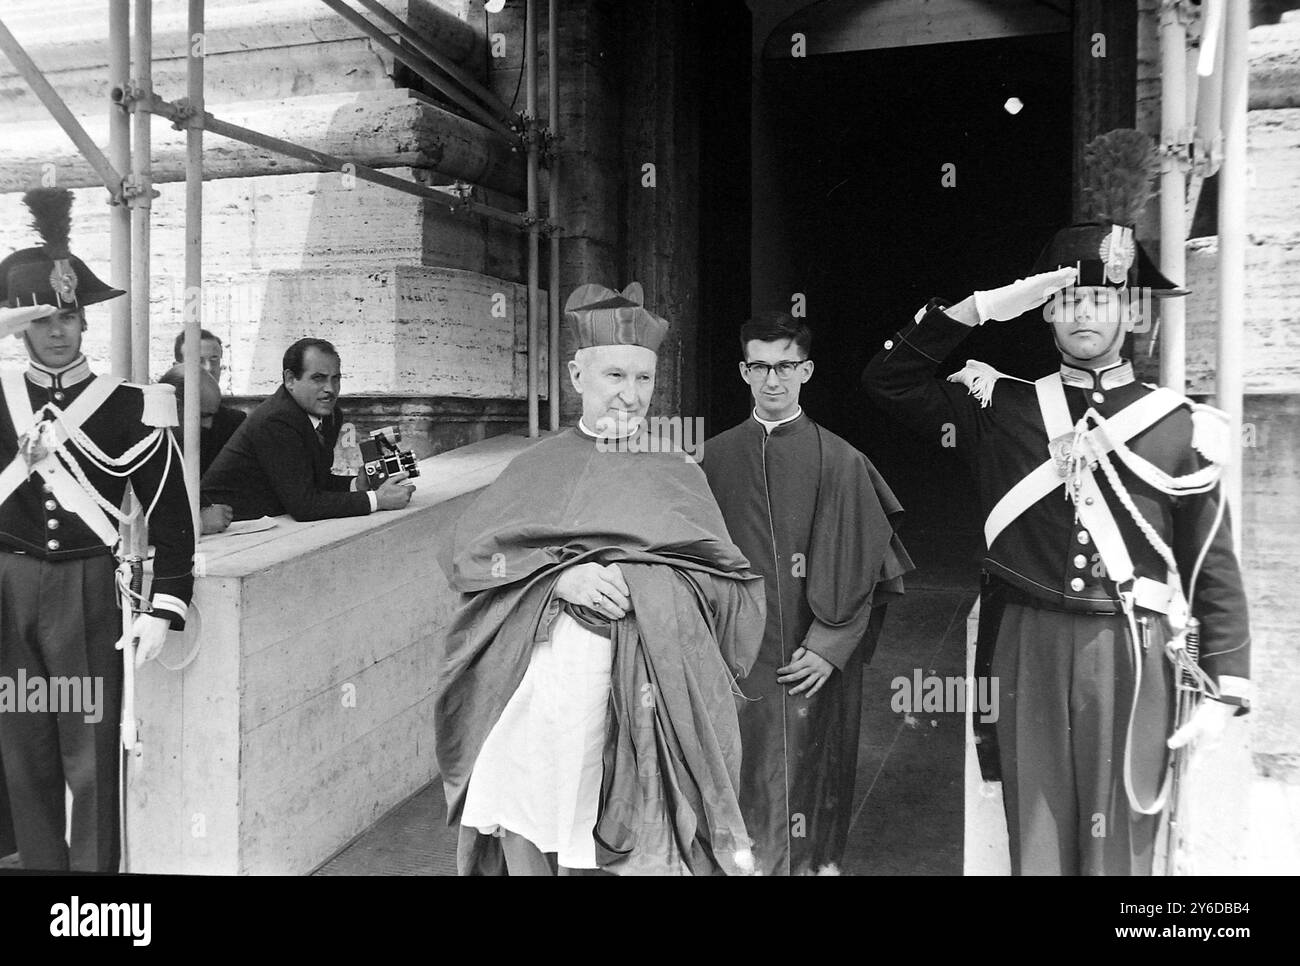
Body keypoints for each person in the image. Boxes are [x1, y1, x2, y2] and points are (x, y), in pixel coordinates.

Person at [861, 130, 1250, 875]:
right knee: (1035, 842)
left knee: (1124, 846)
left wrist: (1226, 685)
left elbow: (1213, 564)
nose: (1081, 313)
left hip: (1131, 650)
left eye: (1099, 298)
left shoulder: (1179, 426)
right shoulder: (998, 403)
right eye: (1065, 297)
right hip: (1028, 642)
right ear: (1043, 310)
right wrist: (981, 306)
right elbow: (888, 381)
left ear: (1132, 313)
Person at [436, 282, 766, 876]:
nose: (632, 395)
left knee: (601, 830)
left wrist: (640, 580)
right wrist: (559, 579)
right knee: (520, 807)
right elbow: (473, 560)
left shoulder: (675, 468)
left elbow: (728, 584)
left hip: (626, 687)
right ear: (576, 376)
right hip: (532, 681)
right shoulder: (534, 464)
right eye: (616, 376)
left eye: (644, 379)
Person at [0, 188, 195, 872]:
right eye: (46, 318)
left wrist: (164, 607)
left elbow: (170, 516)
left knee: (90, 757)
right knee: (25, 753)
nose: (60, 330)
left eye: (71, 316)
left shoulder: (130, 407)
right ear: (21, 326)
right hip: (9, 593)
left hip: (87, 592)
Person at [702, 311, 913, 876]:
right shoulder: (710, 460)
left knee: (809, 773)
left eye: (787, 366)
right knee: (739, 774)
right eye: (762, 367)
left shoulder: (842, 461)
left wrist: (831, 643)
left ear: (808, 370)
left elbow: (875, 567)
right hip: (735, 655)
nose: (774, 380)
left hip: (809, 655)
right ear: (744, 372)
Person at [200, 338, 413, 521]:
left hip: (272, 524)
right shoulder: (276, 420)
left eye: (335, 378)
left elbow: (313, 481)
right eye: (318, 378)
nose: (330, 389)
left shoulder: (329, 415)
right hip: (229, 531)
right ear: (290, 379)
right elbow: (304, 505)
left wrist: (356, 484)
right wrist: (378, 499)